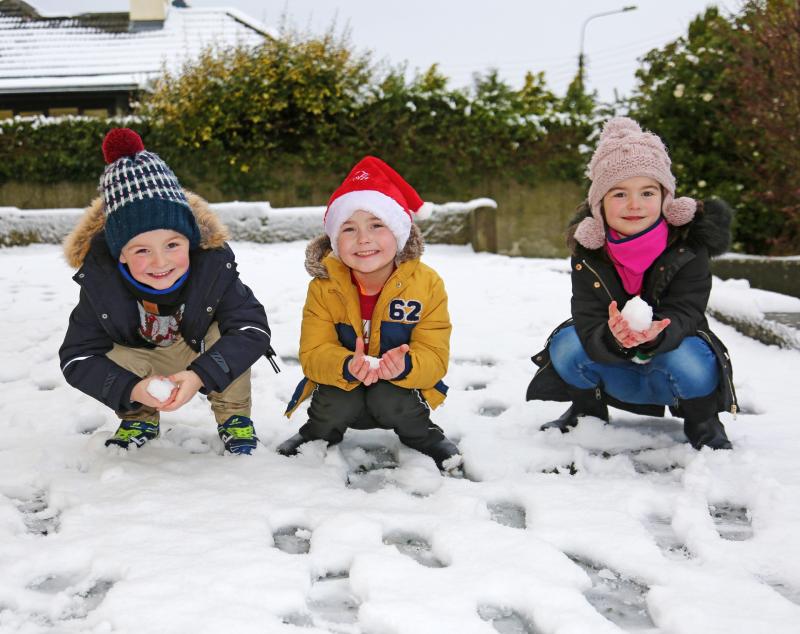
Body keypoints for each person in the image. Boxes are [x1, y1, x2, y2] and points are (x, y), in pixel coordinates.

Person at [59, 128, 278, 454]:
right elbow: (76, 357)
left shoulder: (213, 269)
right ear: (121, 253)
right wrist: (131, 388)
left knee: (229, 335)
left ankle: (234, 417)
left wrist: (200, 375)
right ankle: (139, 415)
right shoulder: (101, 283)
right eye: (141, 250)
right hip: (141, 357)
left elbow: (252, 328)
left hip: (197, 349)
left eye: (172, 244)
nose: (160, 261)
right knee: (106, 348)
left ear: (190, 241)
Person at [526, 117, 737, 450]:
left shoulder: (688, 248)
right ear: (600, 205)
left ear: (667, 199)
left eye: (648, 192)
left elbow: (686, 310)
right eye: (620, 193)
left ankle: (703, 421)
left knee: (692, 358)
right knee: (566, 344)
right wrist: (614, 337)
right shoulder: (590, 252)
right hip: (616, 365)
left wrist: (657, 333)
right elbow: (587, 314)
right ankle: (588, 414)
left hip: (670, 356)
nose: (635, 204)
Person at [276, 156, 461, 472]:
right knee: (335, 399)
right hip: (343, 385)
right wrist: (347, 364)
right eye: (349, 229)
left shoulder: (426, 284)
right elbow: (313, 352)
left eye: (377, 225)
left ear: (400, 232)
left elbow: (435, 354)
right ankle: (317, 434)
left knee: (391, 397)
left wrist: (406, 365)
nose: (363, 239)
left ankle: (423, 436)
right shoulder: (324, 286)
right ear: (335, 240)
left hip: (397, 391)